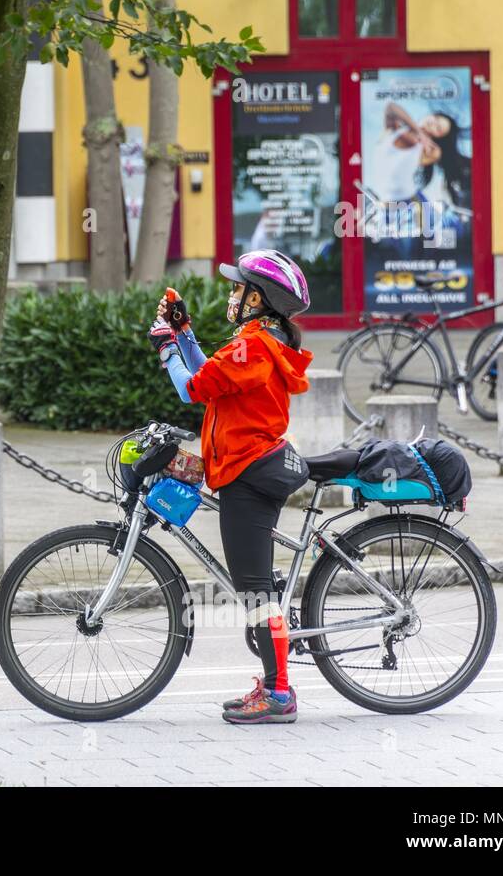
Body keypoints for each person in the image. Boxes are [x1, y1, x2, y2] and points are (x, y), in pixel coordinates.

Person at [148, 249, 314, 725]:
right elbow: (214, 378)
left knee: (255, 590)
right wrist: (184, 335)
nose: (231, 294)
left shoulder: (256, 346)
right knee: (254, 584)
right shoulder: (255, 341)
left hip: (249, 472)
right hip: (247, 466)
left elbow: (193, 388)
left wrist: (165, 347)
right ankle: (274, 679)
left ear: (258, 298)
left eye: (238, 288)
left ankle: (280, 694)